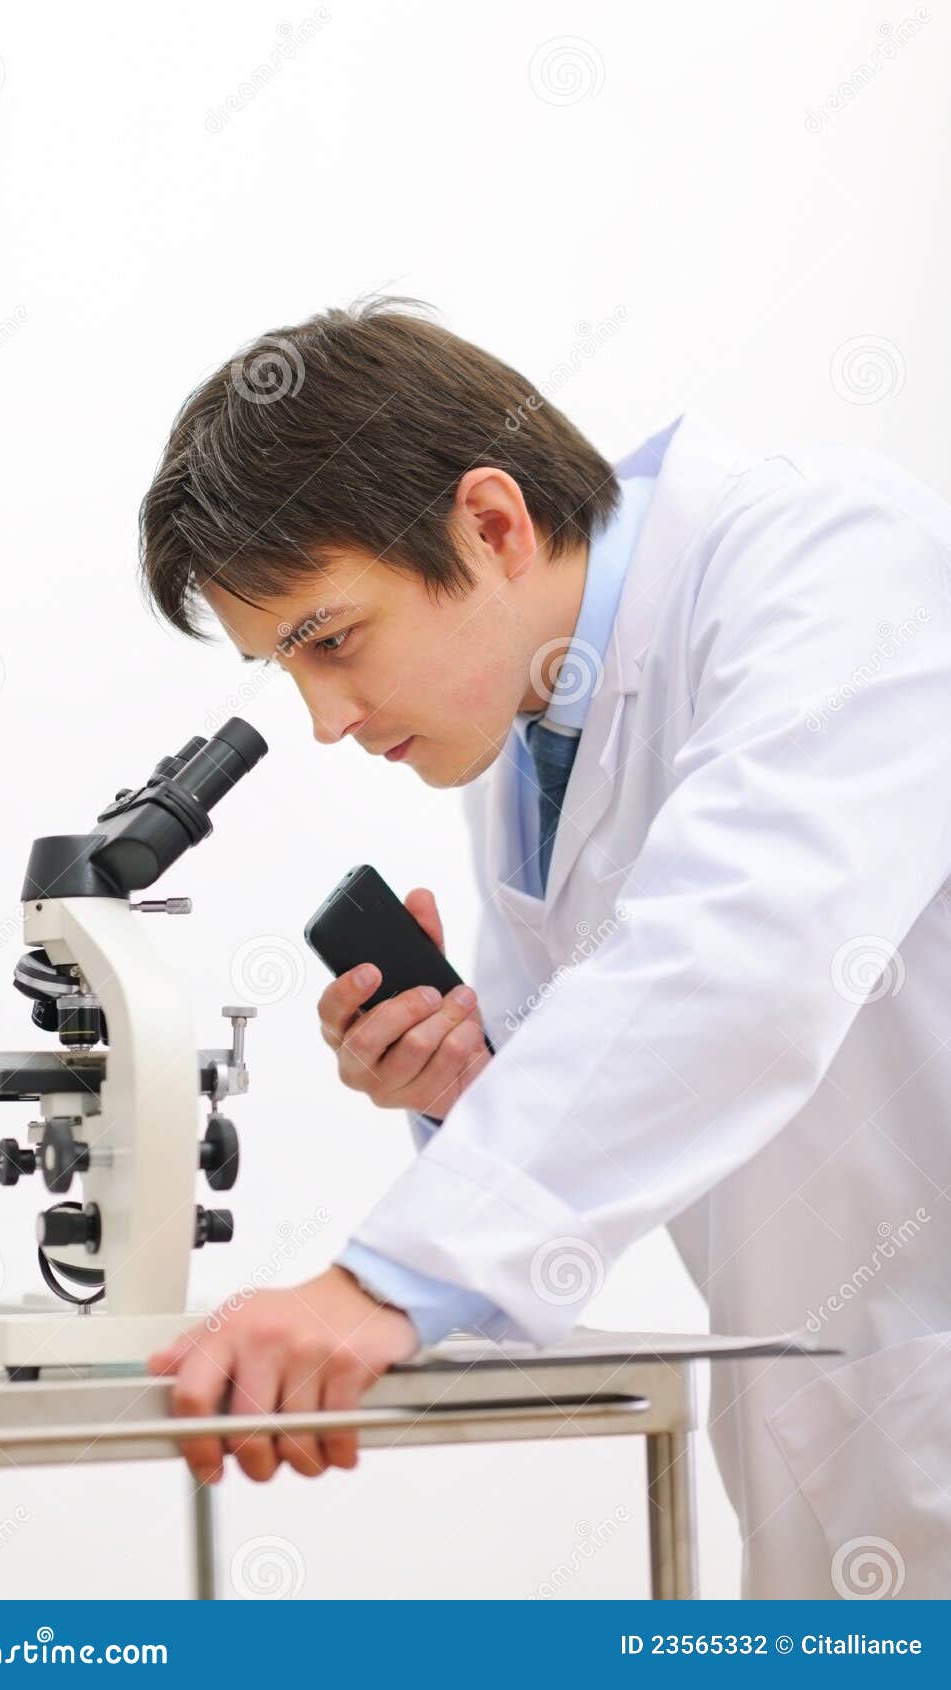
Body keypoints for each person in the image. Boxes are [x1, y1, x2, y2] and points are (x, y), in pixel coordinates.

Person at [139, 296, 951, 1598]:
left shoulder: (831, 561)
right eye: (284, 671)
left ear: (493, 524)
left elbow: (748, 960)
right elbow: (619, 1090)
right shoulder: (525, 744)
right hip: (842, 1444)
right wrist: (465, 1087)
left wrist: (389, 1278)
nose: (327, 719)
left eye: (333, 640)